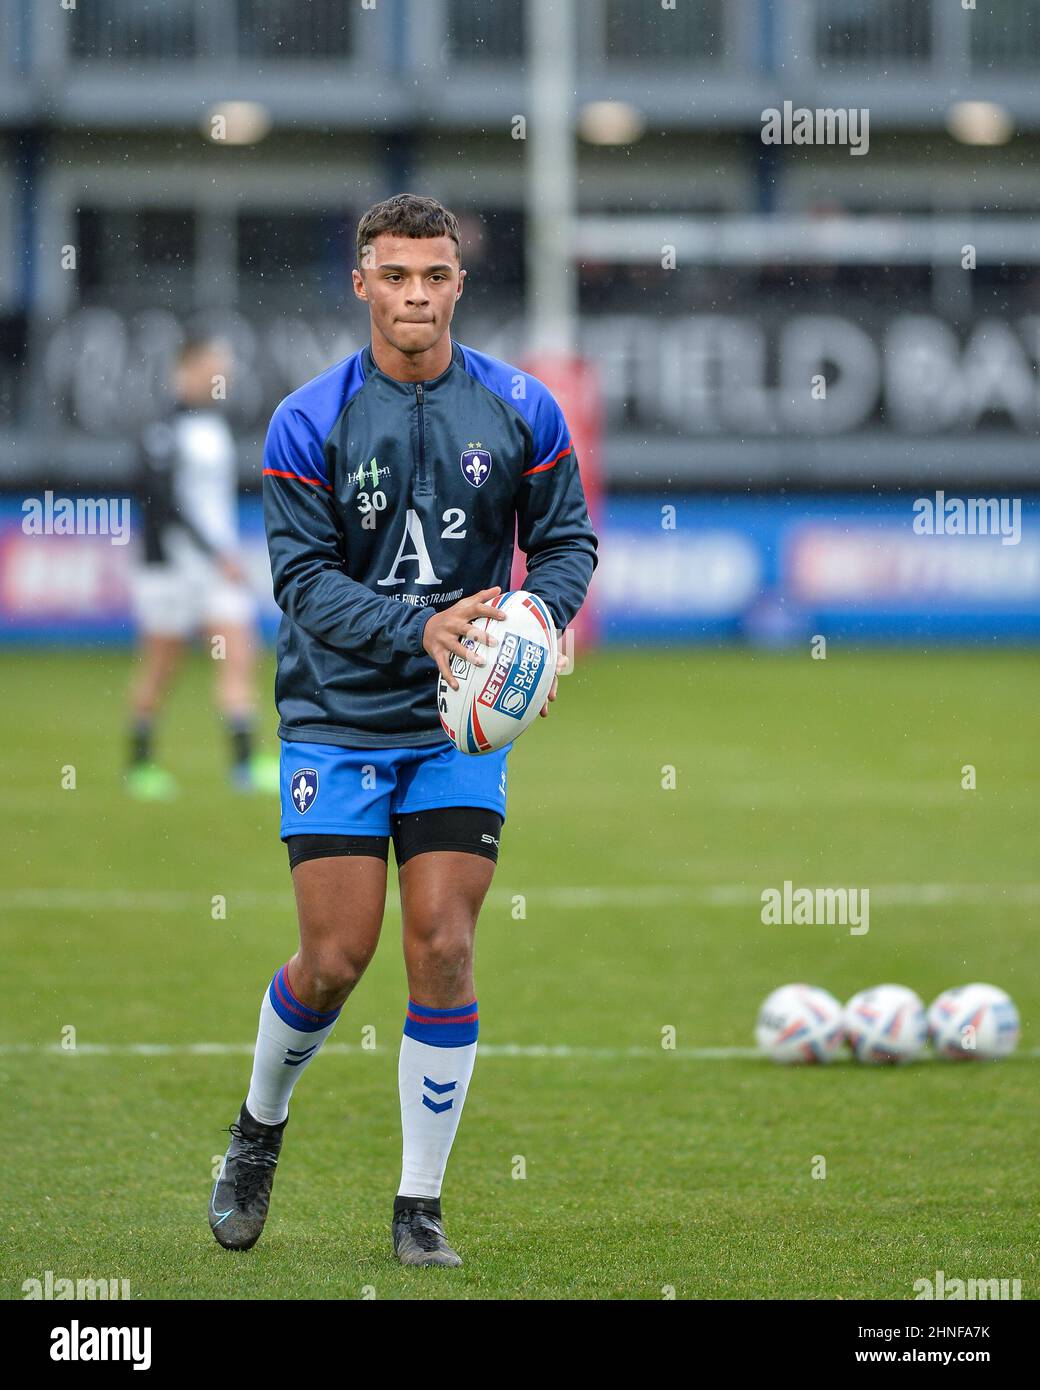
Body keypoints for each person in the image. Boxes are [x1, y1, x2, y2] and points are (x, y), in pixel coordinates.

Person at [209, 193, 598, 1266]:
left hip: (452, 732)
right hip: (335, 717)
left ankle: (416, 1204)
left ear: (459, 283)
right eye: (394, 275)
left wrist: (537, 627)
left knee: (443, 944)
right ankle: (257, 1129)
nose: (415, 295)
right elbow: (301, 584)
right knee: (334, 959)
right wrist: (417, 626)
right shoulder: (306, 420)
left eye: (434, 275)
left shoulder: (522, 408)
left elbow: (566, 545)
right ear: (361, 284)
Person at [126, 333, 278, 798]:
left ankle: (245, 763)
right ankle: (140, 765)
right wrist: (216, 554)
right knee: (161, 664)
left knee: (239, 651)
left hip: (217, 568)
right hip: (172, 568)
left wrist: (220, 556)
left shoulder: (215, 426)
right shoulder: (163, 431)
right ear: (184, 371)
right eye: (211, 368)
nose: (220, 377)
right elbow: (165, 503)